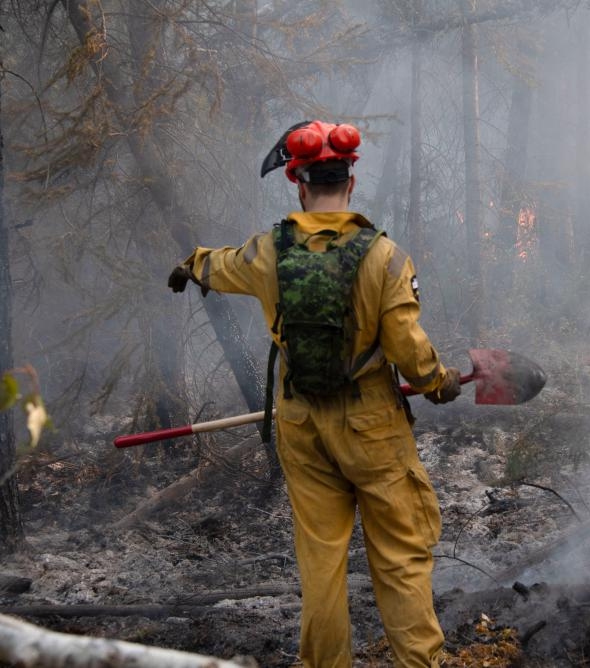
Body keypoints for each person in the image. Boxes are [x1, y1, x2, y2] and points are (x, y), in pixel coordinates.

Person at [167, 120, 461, 668]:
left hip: (302, 428)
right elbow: (410, 352)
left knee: (322, 566)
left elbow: (220, 264)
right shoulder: (386, 257)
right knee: (400, 559)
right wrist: (439, 385)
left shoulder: (268, 253)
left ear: (298, 184)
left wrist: (190, 265)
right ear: (350, 181)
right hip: (374, 432)